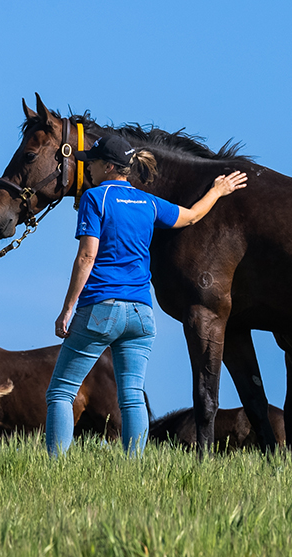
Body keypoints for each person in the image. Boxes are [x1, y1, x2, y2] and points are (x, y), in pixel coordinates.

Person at [45, 134, 247, 456]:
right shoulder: (147, 202)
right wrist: (218, 190)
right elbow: (192, 215)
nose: (90, 170)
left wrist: (67, 309)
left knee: (61, 392)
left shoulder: (95, 198)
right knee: (132, 395)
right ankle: (135, 467)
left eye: (93, 164)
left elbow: (86, 257)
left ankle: (53, 466)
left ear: (109, 166)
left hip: (101, 307)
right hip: (140, 313)